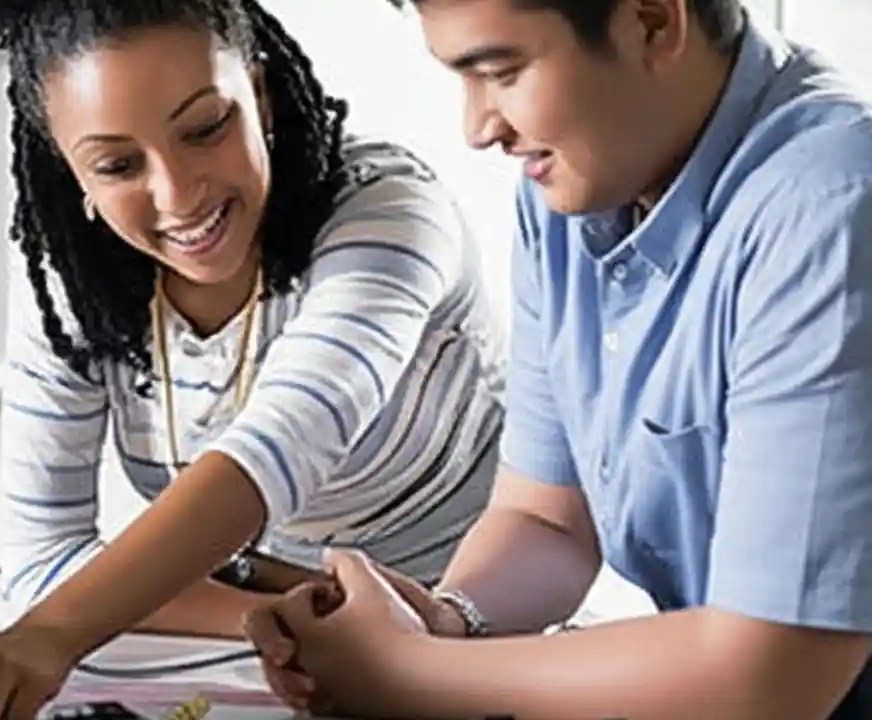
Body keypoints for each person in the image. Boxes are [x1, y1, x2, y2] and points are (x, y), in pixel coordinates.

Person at [246, 0, 872, 718]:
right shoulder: (572, 192)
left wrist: (406, 669)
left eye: (502, 73)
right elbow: (549, 518)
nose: (478, 127)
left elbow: (775, 673)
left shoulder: (831, 204)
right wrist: (441, 622)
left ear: (651, 22)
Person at [0, 0, 505, 717]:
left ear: (260, 94)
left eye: (206, 128)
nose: (179, 194)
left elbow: (278, 445)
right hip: (289, 629)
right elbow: (42, 561)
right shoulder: (75, 285)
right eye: (116, 164)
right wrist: (275, 610)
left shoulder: (390, 213)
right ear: (67, 165)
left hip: (470, 624)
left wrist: (49, 637)